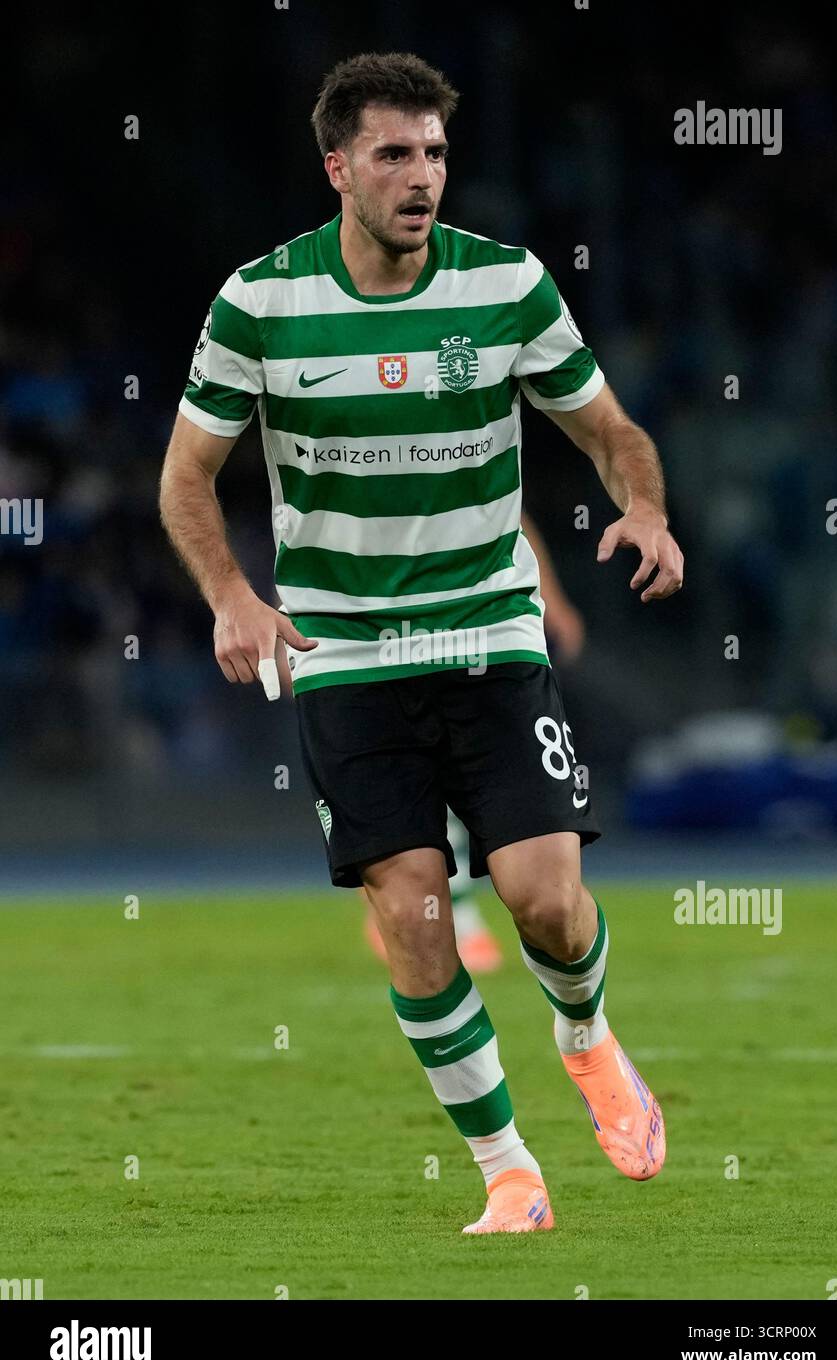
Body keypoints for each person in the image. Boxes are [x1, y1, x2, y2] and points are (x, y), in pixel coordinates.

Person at [159, 51, 684, 1235]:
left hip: (488, 629)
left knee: (545, 902)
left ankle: (586, 1036)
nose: (422, 176)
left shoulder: (506, 286)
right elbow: (186, 477)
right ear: (337, 166)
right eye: (394, 153)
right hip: (342, 647)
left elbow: (608, 432)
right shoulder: (261, 301)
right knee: (411, 912)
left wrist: (642, 506)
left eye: (435, 152)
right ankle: (509, 1171)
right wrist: (231, 596)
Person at [362, 512, 586, 975]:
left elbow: (511, 513)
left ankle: (451, 913)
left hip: (472, 631)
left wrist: (552, 598)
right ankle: (438, 913)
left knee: (465, 784)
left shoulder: (467, 454)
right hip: (376, 636)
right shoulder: (356, 458)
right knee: (416, 788)